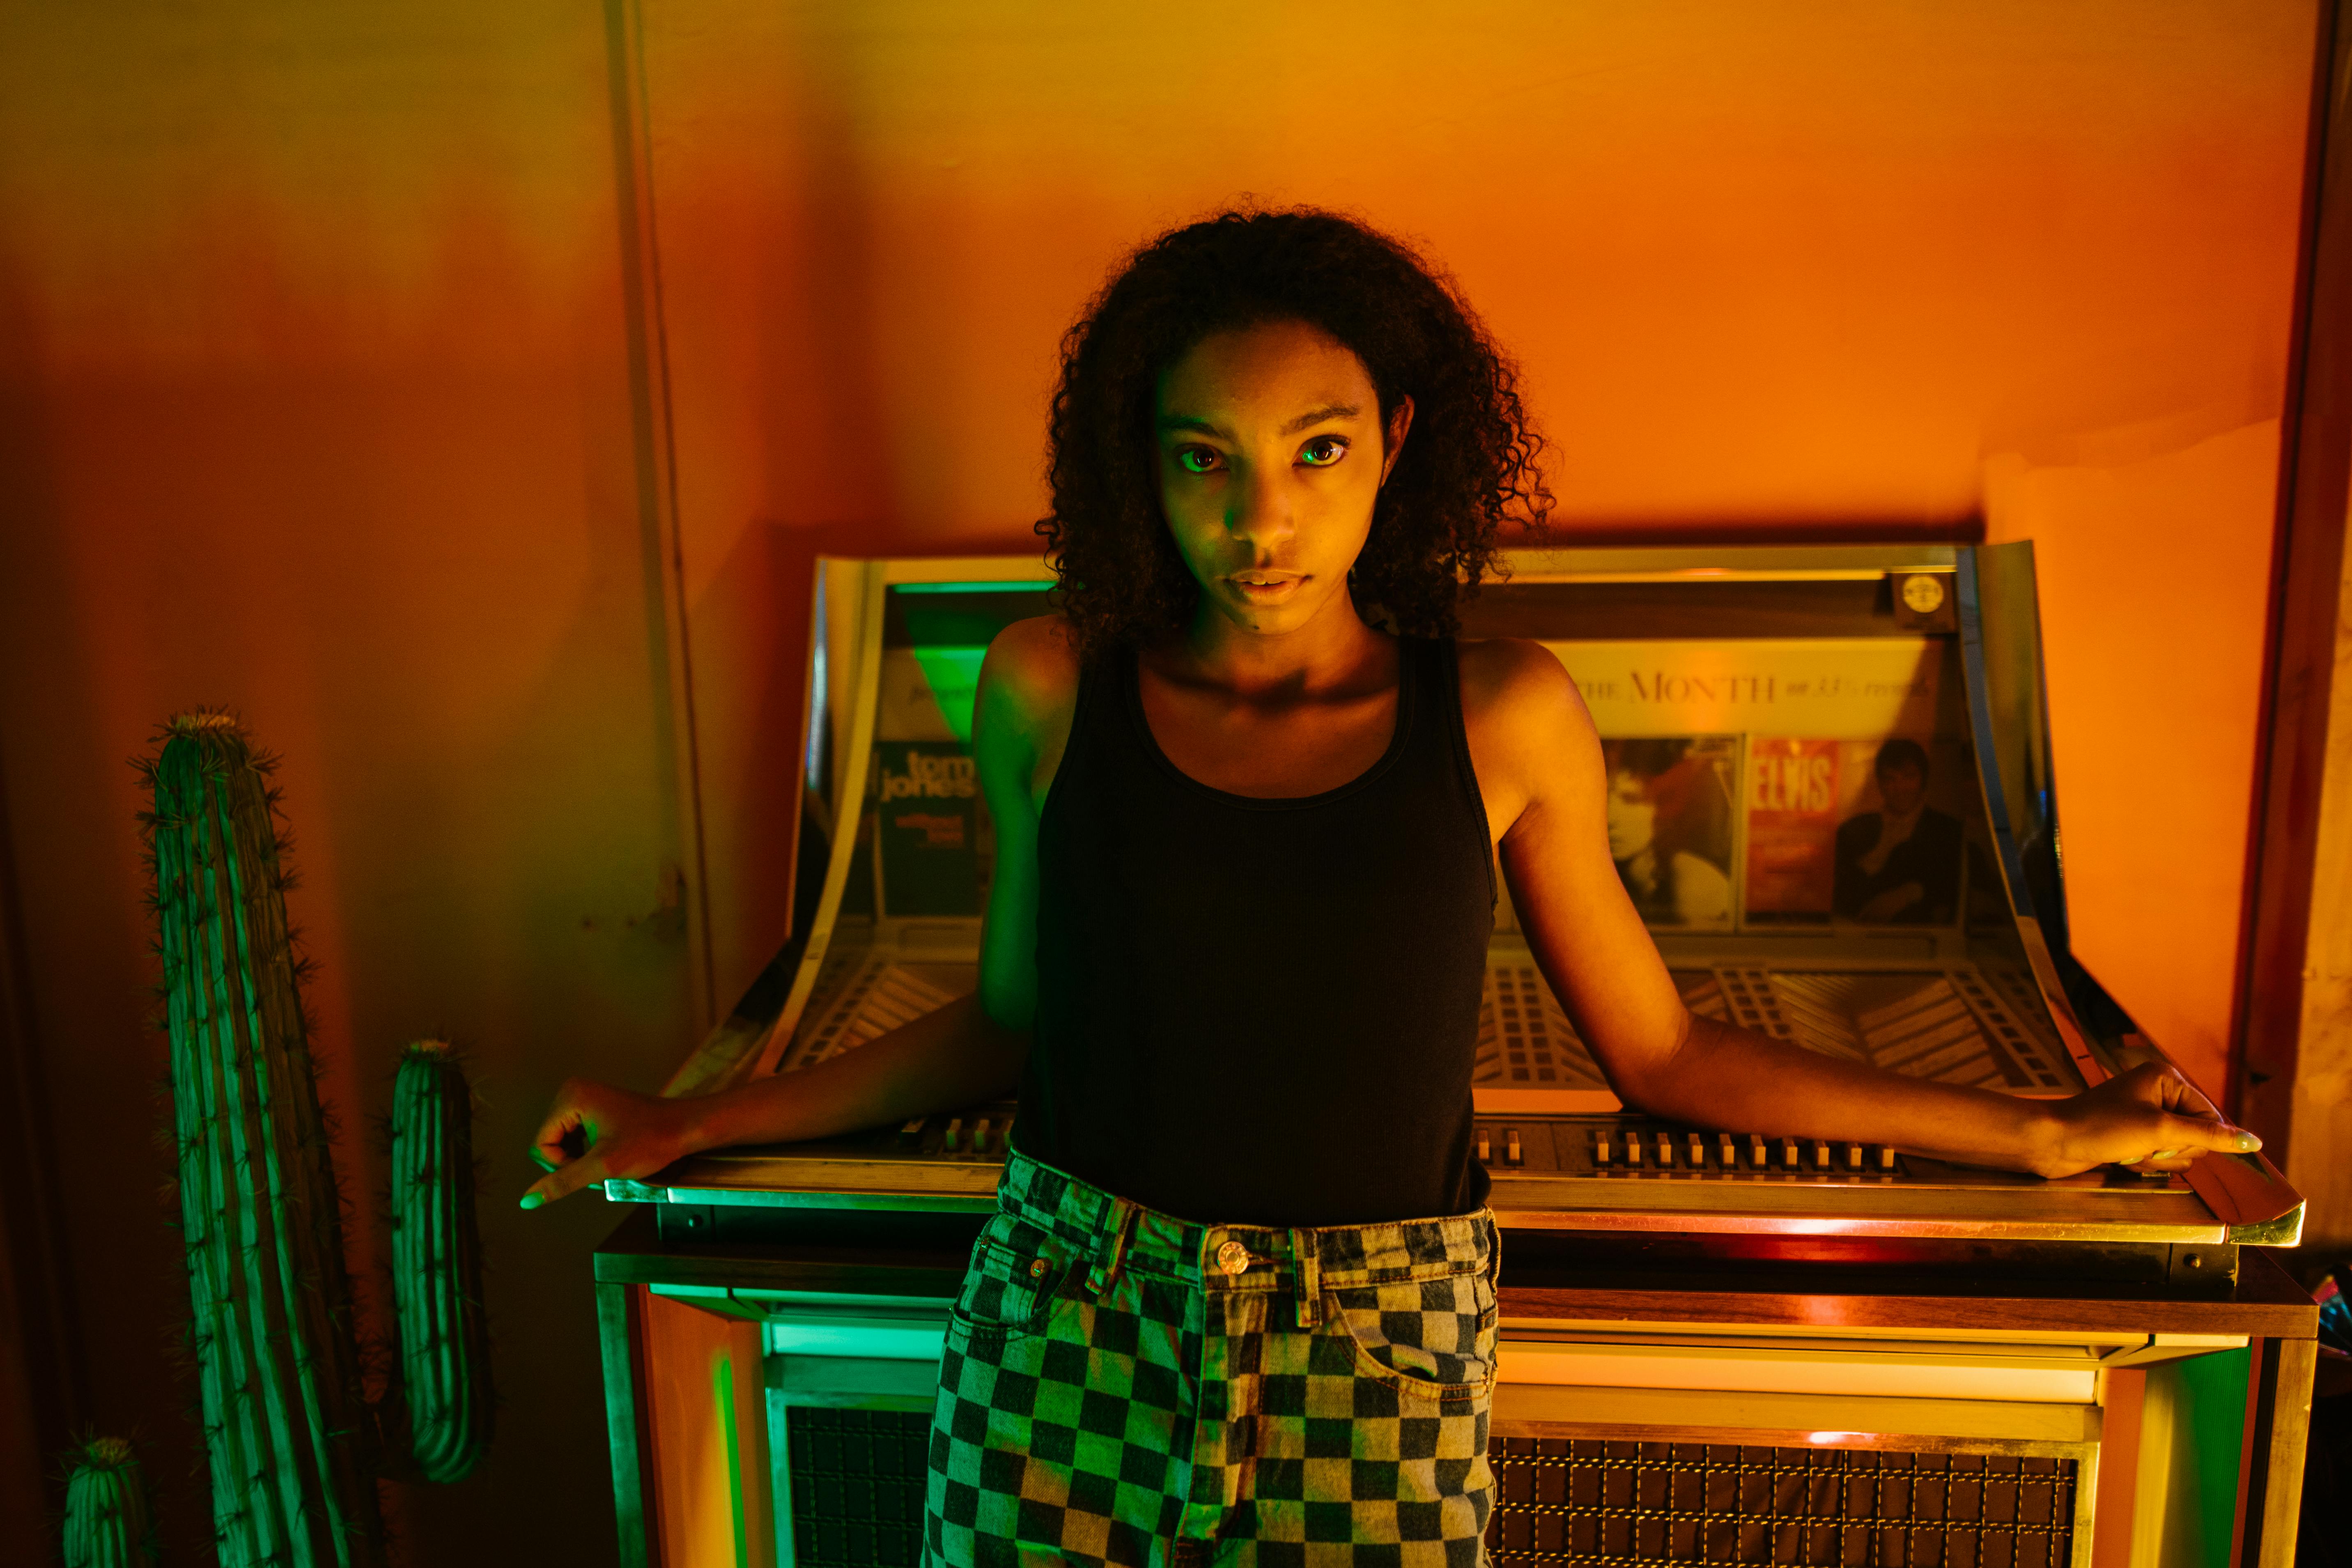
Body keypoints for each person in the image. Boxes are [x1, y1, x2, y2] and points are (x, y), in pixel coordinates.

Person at [520, 209, 2255, 1566]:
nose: (1257, 521)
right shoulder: (1047, 688)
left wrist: (2042, 1133)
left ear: (1396, 439)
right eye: (1202, 456)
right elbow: (1009, 1020)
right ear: (1139, 461)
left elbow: (1665, 1054)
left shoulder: (1500, 715)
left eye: (1315, 450)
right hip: (1065, 1318)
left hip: (1377, 1343)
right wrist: (692, 1120)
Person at [1604, 738, 1733, 927]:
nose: (1610, 818)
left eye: (1630, 800)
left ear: (1659, 808)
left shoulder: (1694, 884)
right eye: (1602, 801)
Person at [1834, 737, 1964, 924]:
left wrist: (1911, 893)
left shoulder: (1948, 831)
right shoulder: (1853, 829)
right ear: (1880, 784)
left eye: (1909, 777)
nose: (1900, 788)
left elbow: (1956, 888)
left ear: (1923, 780)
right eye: (1891, 779)